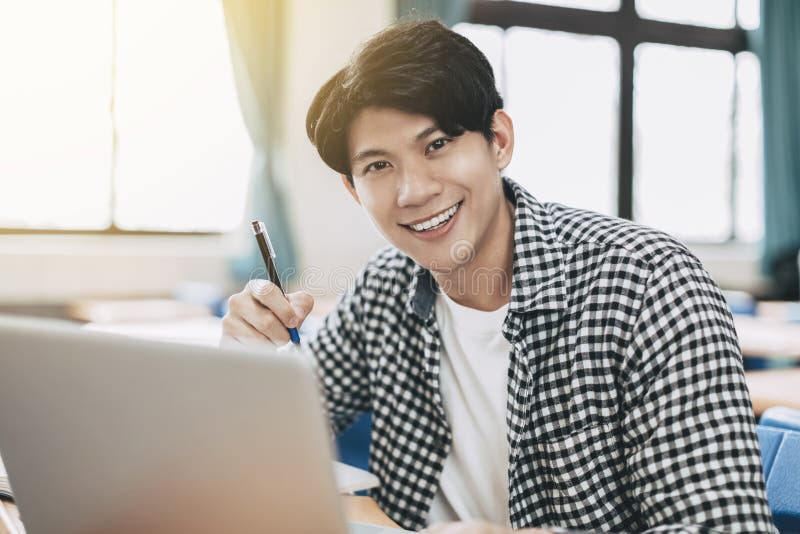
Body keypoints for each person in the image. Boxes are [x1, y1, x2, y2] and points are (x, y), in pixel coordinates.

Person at [222, 18, 775, 534]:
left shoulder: (650, 284)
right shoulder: (383, 288)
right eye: (378, 166)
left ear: (499, 141)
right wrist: (243, 365)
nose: (413, 191)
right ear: (354, 190)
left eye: (437, 145)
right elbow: (269, 449)